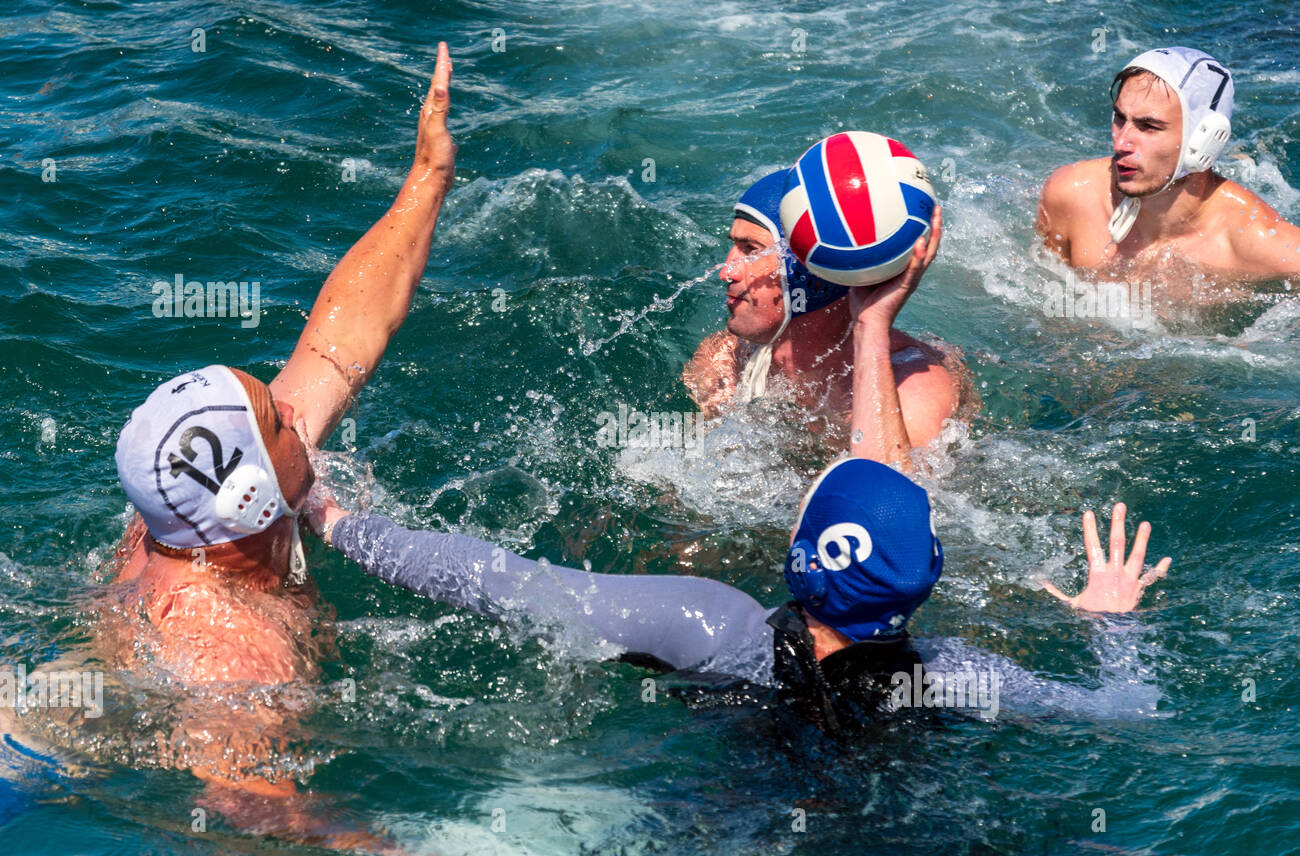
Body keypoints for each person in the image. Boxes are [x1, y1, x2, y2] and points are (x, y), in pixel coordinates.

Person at [79, 43, 458, 849]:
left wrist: (428, 177)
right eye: (277, 421)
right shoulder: (235, 653)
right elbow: (248, 807)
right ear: (251, 492)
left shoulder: (182, 511)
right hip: (62, 773)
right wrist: (403, 851)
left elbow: (342, 336)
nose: (293, 404)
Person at [305, 456, 1172, 734]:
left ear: (802, 556)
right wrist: (1111, 624)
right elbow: (1126, 711)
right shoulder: (956, 671)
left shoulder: (717, 626)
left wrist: (338, 522)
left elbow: (503, 584)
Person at [683, 170, 968, 454]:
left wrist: (871, 327)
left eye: (750, 250)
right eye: (734, 246)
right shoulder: (727, 357)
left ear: (805, 269)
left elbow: (887, 491)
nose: (726, 272)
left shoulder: (914, 388)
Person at [1036, 46, 1300, 281]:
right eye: (1119, 118)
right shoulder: (1071, 196)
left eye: (1148, 126)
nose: (1121, 143)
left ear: (1204, 139)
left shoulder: (1260, 244)